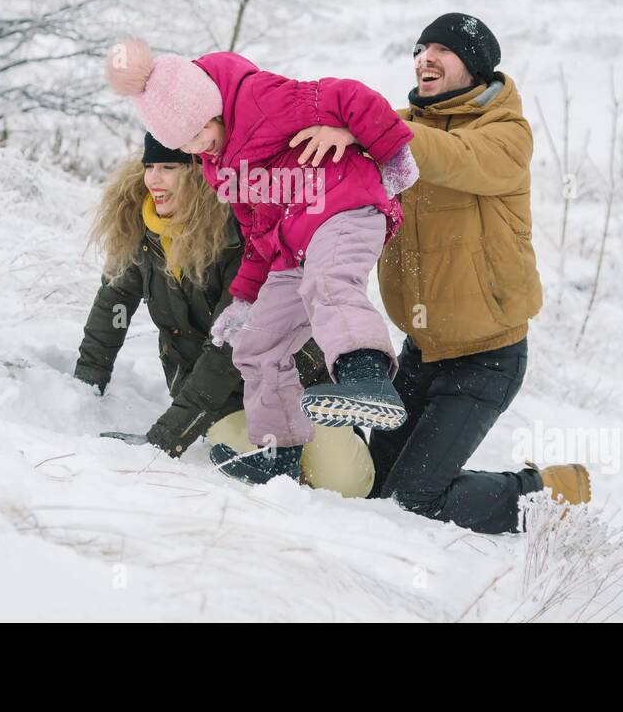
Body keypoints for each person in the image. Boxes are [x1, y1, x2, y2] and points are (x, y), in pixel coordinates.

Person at [291, 13, 591, 532]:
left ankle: (548, 494)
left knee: (413, 502)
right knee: (372, 489)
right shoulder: (401, 122)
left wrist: (371, 128)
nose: (424, 58)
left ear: (473, 65)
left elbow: (456, 158)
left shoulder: (506, 133)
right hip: (418, 351)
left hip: (486, 358)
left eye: (441, 50)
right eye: (419, 48)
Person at [104, 38, 420, 487]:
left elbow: (348, 95)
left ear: (210, 106)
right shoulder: (217, 163)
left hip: (343, 207)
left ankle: (364, 372)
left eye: (198, 134)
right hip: (293, 245)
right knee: (256, 344)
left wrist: (392, 155)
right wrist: (244, 300)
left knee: (327, 283)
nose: (198, 148)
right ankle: (280, 453)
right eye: (187, 145)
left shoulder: (261, 98)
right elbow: (256, 236)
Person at [74, 132, 375, 497]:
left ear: (200, 173)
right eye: (149, 166)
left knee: (347, 485)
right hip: (221, 399)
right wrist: (83, 392)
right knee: (255, 472)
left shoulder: (242, 234)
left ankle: (343, 438)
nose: (153, 179)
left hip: (292, 380)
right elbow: (112, 309)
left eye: (169, 167)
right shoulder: (141, 228)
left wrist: (166, 439)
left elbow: (228, 348)